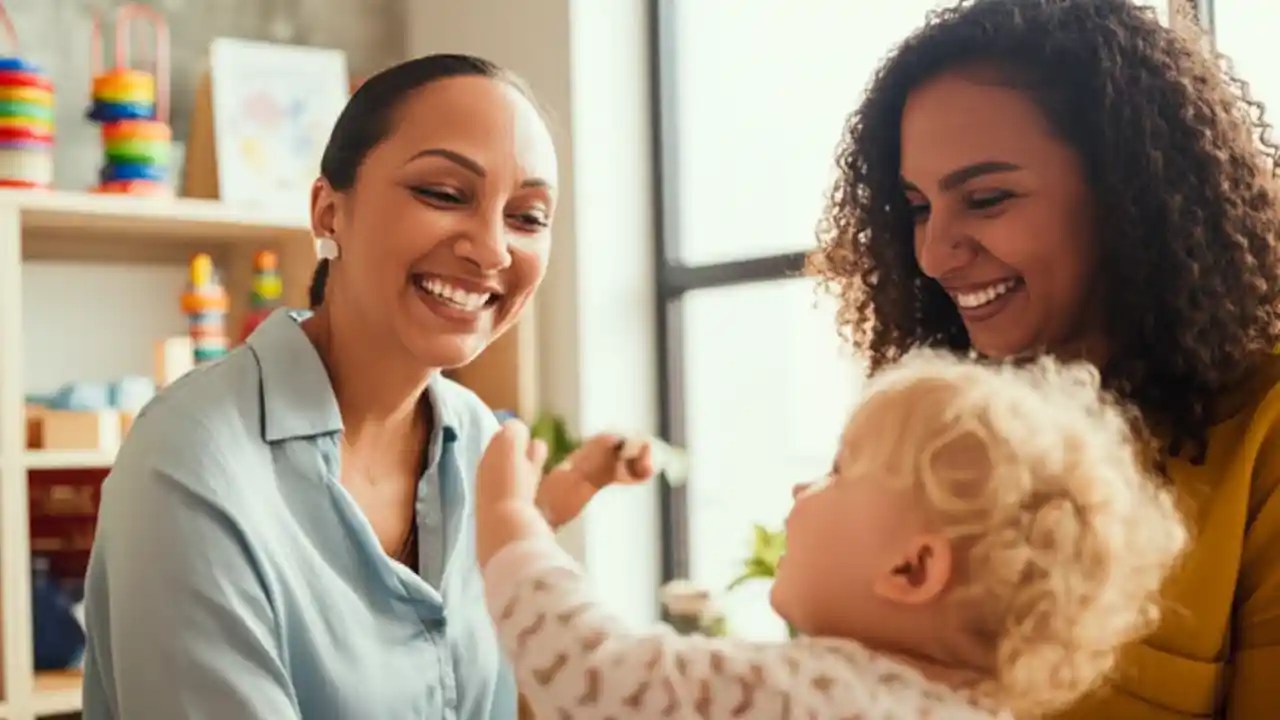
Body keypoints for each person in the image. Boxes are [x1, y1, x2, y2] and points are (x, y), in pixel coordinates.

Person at [81, 54, 649, 719]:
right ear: (328, 211)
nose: (492, 249)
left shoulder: (478, 444)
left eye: (528, 217)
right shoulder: (192, 457)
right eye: (443, 193)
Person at [808, 1, 1280, 717]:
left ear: (1130, 195)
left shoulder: (1263, 429)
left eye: (987, 198)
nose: (935, 255)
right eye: (918, 207)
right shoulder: (946, 441)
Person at [474, 349, 1189, 719]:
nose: (800, 490)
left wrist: (510, 522)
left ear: (910, 569)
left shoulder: (813, 697)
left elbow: (598, 676)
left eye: (837, 471)